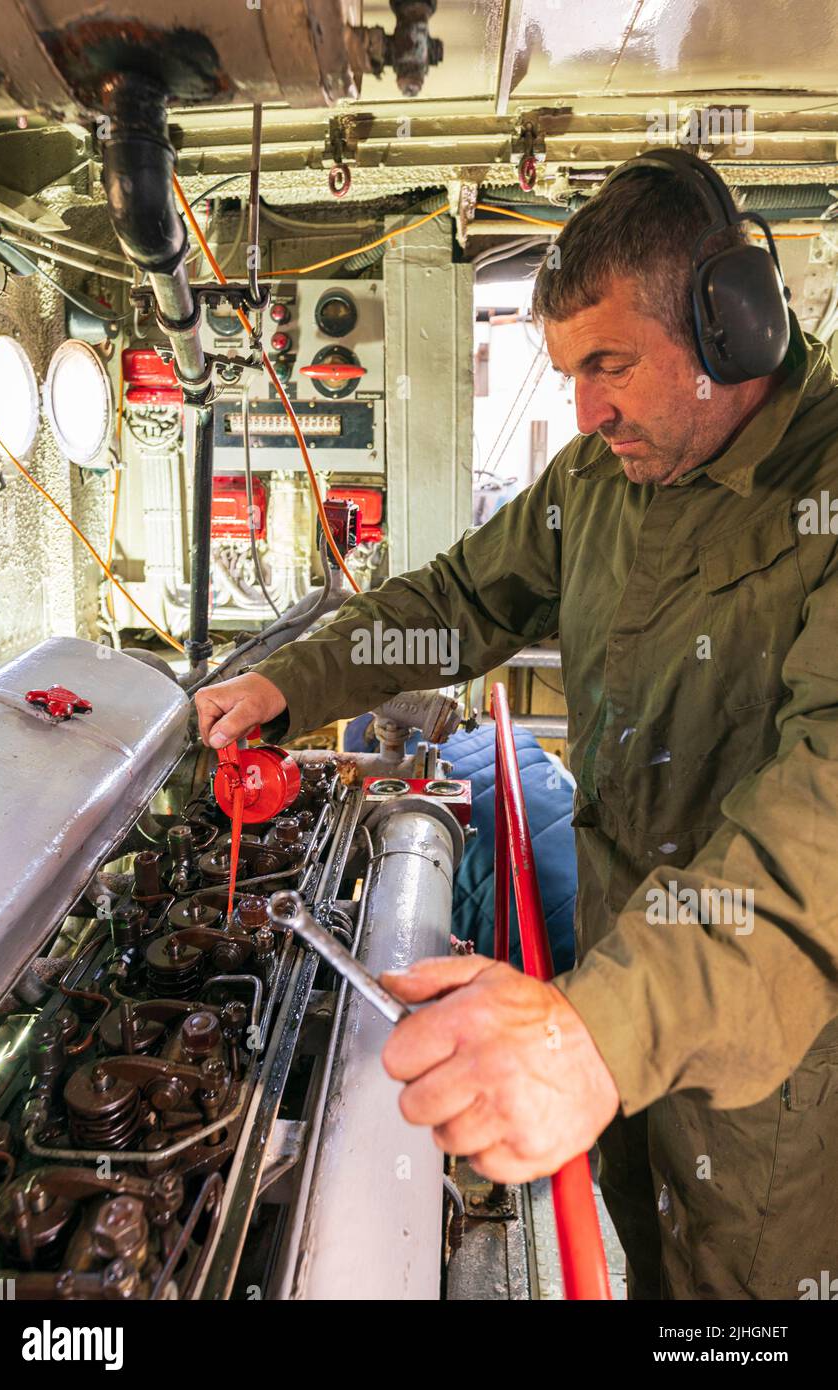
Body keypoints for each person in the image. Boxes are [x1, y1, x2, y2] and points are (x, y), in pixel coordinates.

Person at [195, 149, 838, 1300]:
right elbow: (455, 602)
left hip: (767, 1064)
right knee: (645, 1265)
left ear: (731, 326)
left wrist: (600, 1032)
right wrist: (291, 684)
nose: (584, 412)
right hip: (610, 986)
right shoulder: (595, 479)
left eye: (609, 365)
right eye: (565, 372)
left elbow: (821, 821)